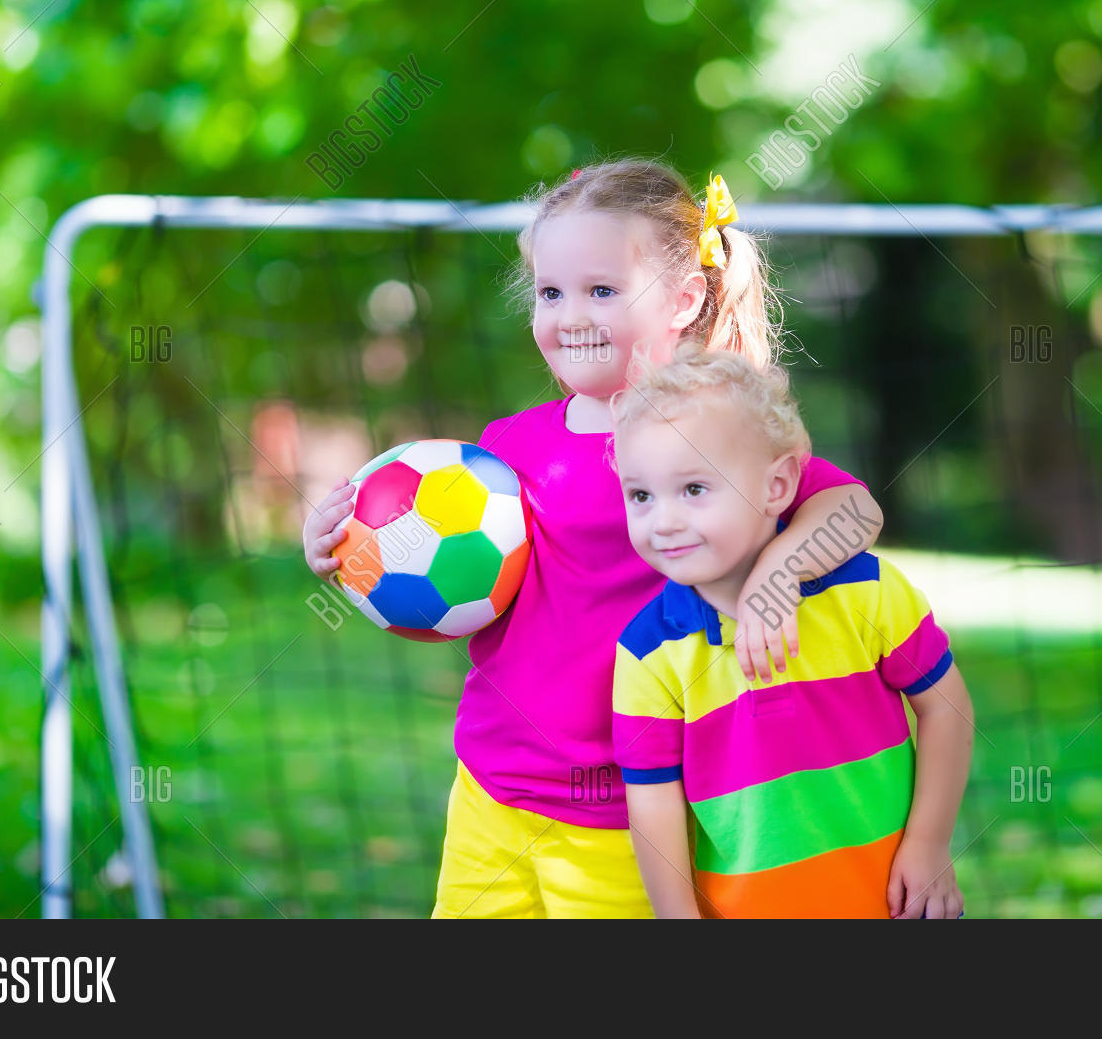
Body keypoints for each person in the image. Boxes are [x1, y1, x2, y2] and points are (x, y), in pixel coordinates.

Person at [302, 160, 887, 917]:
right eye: (551, 293)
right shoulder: (503, 449)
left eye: (601, 291)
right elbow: (471, 602)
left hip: (632, 810)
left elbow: (853, 508)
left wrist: (776, 570)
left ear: (684, 299)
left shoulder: (710, 436)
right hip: (492, 790)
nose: (569, 315)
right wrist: (350, 550)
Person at [610, 345, 974, 918]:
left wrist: (929, 845)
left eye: (694, 489)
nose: (664, 521)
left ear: (777, 486)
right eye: (640, 496)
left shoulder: (868, 591)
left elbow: (946, 708)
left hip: (894, 902)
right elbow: (653, 800)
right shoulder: (647, 651)